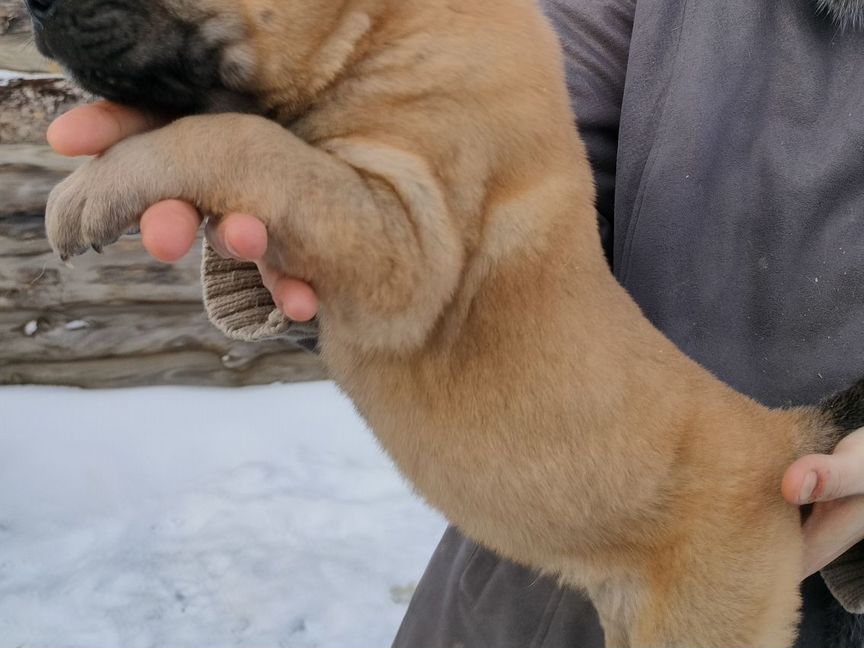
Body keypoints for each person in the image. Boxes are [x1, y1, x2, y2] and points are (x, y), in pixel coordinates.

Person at [46, 0, 864, 644]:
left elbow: (399, 270)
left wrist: (232, 155)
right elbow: (476, 217)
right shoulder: (489, 34)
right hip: (528, 594)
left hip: (705, 524)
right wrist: (288, 166)